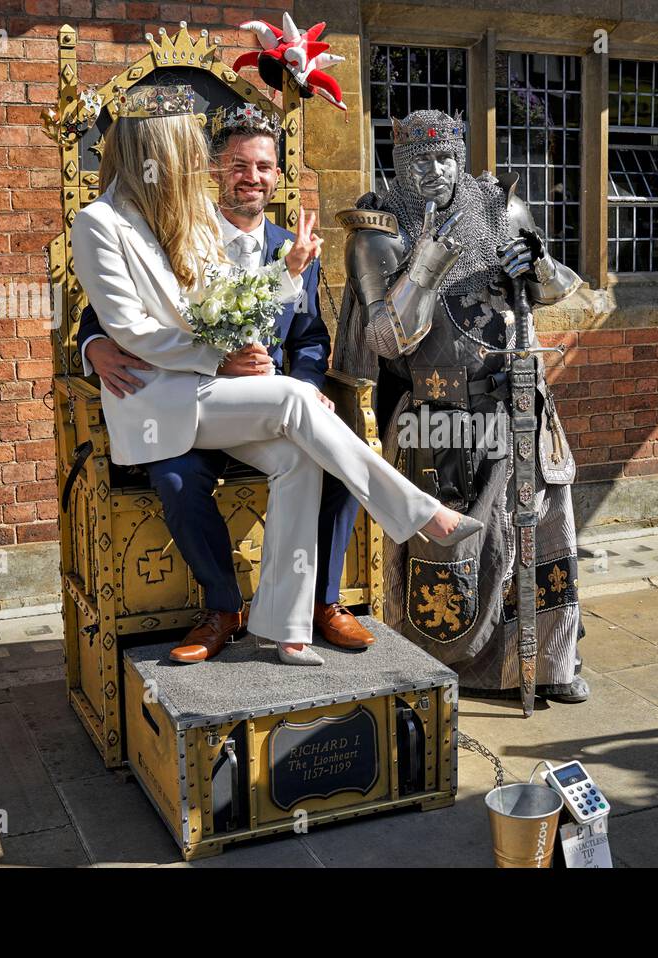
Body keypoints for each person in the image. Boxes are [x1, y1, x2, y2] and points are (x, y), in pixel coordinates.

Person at [69, 85, 480, 667]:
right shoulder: (112, 222)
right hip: (166, 399)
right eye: (225, 162)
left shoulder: (196, 221)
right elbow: (127, 324)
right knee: (290, 408)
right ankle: (415, 514)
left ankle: (289, 622)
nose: (239, 176)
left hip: (233, 398)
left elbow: (262, 316)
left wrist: (287, 277)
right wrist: (97, 345)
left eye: (263, 166)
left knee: (302, 454)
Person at [77, 102, 376, 660]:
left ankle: (320, 603)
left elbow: (310, 336)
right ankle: (222, 609)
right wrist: (92, 346)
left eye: (263, 167)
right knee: (174, 477)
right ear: (214, 170)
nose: (251, 178)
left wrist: (310, 383)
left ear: (277, 176)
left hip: (273, 403)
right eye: (238, 165)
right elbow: (112, 312)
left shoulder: (296, 248)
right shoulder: (175, 227)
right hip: (191, 401)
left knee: (336, 458)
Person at [333, 109, 588, 703]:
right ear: (399, 166)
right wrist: (425, 264)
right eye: (420, 161)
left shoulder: (498, 207)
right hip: (434, 414)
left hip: (517, 403)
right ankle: (440, 666)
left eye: (445, 158)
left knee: (539, 534)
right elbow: (387, 339)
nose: (435, 172)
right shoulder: (377, 234)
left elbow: (556, 289)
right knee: (449, 545)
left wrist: (538, 266)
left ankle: (549, 662)